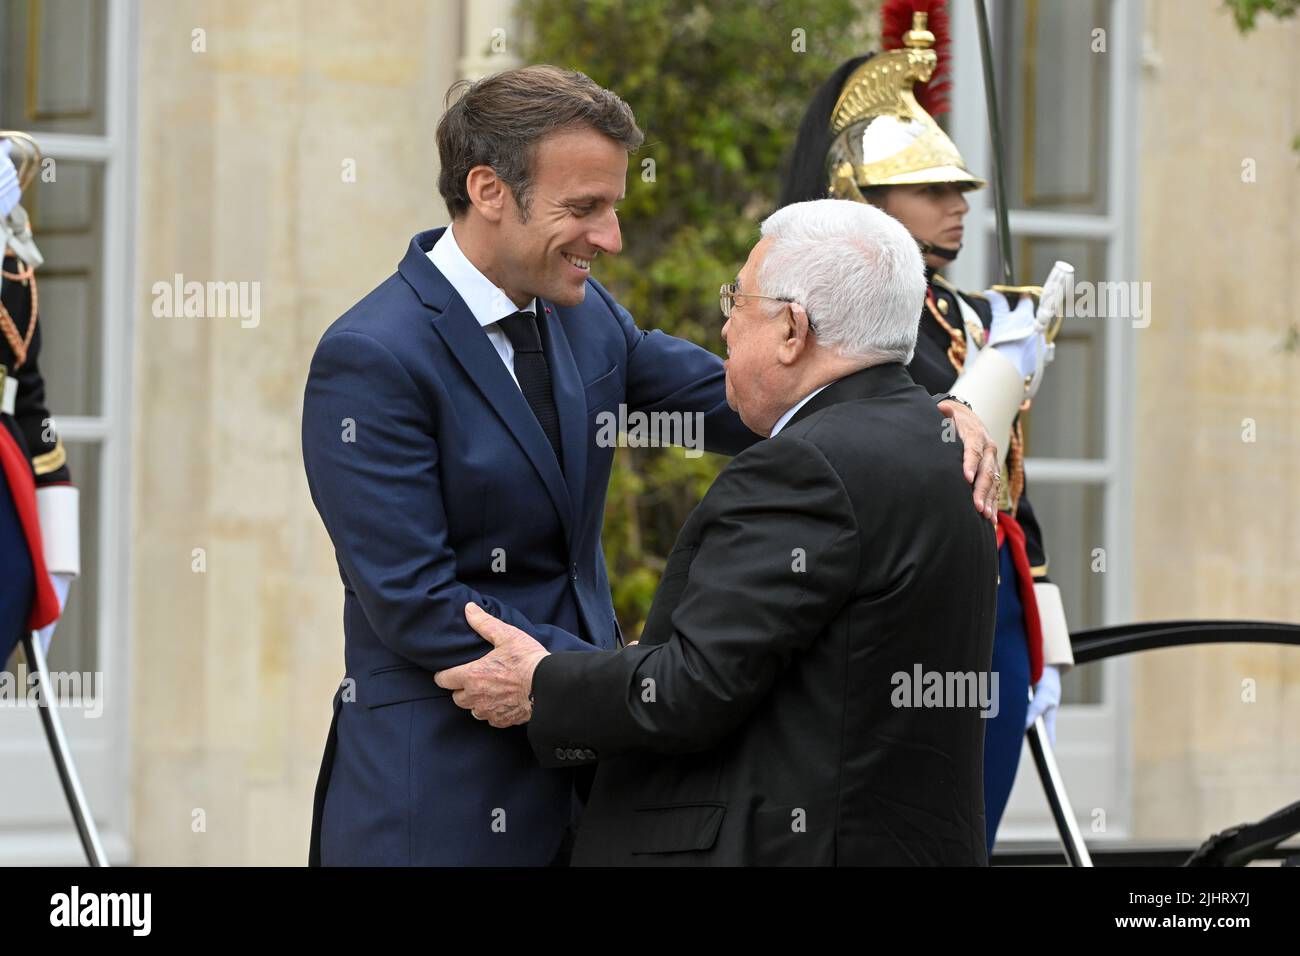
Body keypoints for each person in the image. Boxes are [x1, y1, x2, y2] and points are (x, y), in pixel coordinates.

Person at [301, 65, 1000, 866]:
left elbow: (761, 393)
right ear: (489, 189)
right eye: (584, 208)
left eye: (615, 207)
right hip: (440, 795)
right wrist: (616, 684)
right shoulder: (371, 356)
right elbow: (415, 599)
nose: (611, 238)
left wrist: (923, 411)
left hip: (596, 778)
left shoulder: (585, 314)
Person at [435, 198, 998, 866]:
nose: (725, 326)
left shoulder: (804, 467)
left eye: (737, 300)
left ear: (793, 329)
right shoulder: (945, 445)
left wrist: (540, 683)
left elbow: (690, 689)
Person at [776, 0, 1075, 849]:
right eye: (931, 188)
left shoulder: (976, 313)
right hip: (901, 593)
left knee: (970, 830)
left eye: (960, 189)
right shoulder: (841, 316)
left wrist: (1041, 601)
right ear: (858, 196)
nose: (958, 206)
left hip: (992, 595)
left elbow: (1011, 480)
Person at [0, 134, 79, 671]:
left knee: (12, 585)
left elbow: (26, 392)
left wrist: (53, 484)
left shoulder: (15, 277)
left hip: (6, 466)